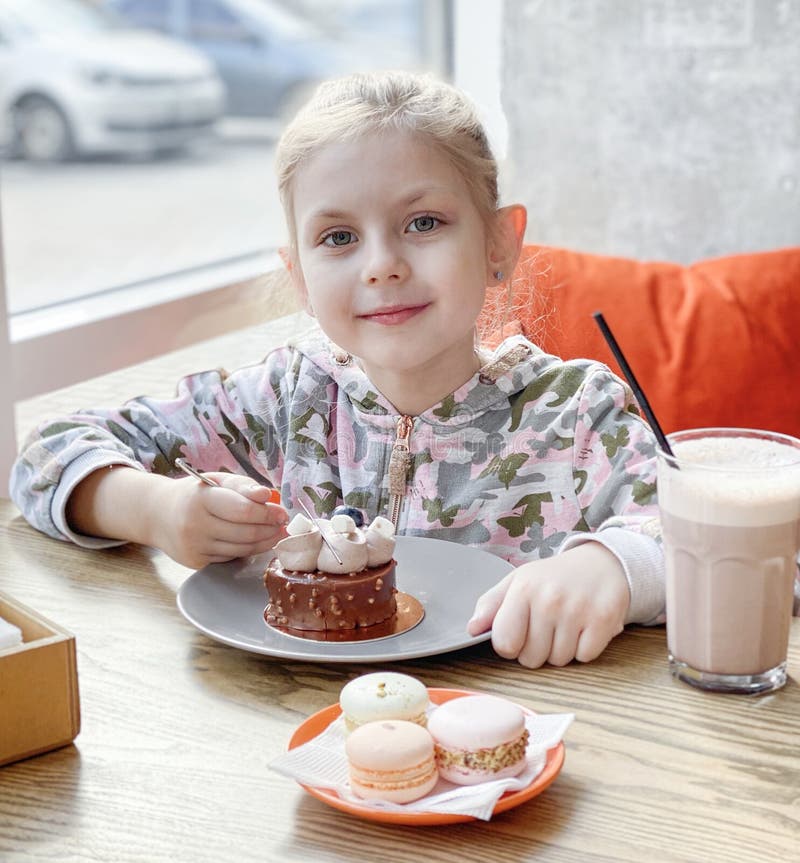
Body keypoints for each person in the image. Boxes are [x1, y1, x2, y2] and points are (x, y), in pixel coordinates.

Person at [10, 71, 664, 668]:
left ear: (499, 244)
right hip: (312, 737)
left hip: (517, 743)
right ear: (298, 275)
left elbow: (699, 542)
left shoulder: (579, 415)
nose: (381, 264)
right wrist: (156, 509)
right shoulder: (283, 400)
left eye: (423, 221)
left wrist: (610, 566)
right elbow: (43, 455)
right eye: (339, 237)